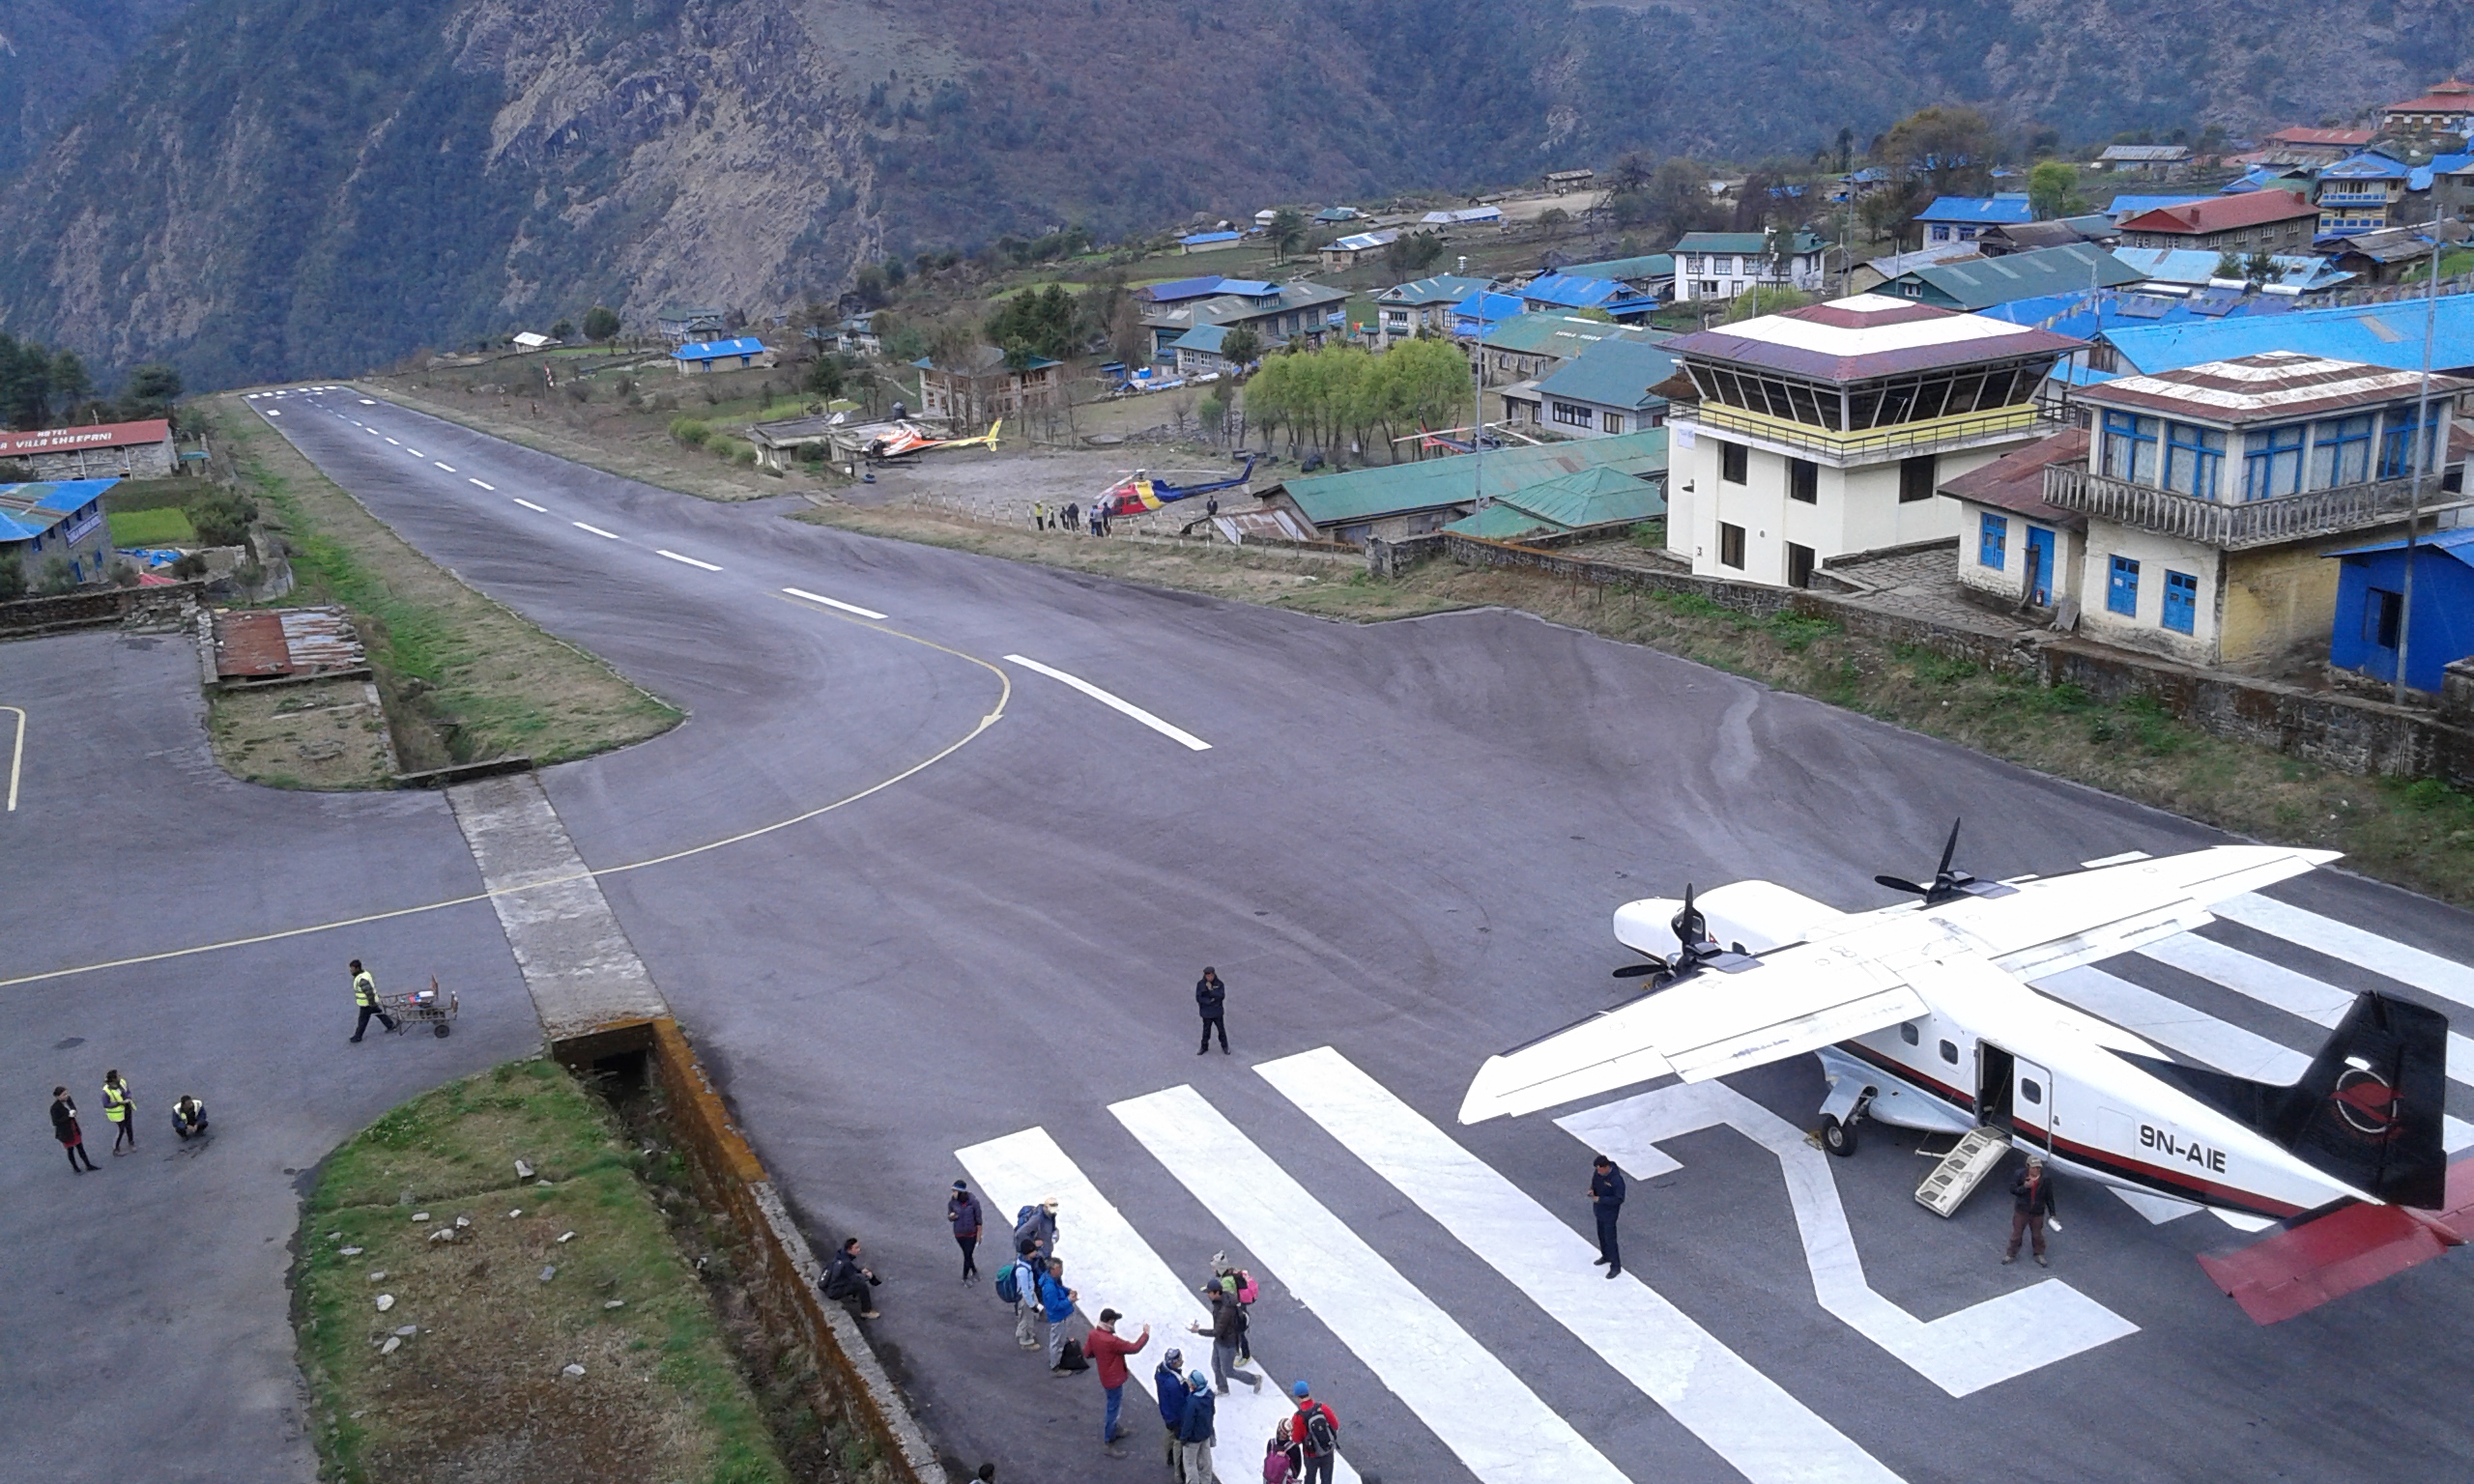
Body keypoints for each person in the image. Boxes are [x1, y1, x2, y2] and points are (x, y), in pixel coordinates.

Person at [1084, 1306, 1149, 1456]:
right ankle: (1109, 1439)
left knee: (1112, 1403)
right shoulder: (1112, 1341)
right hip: (1114, 1378)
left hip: (1105, 1376)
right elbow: (1134, 1347)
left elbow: (1087, 1353)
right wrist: (1145, 1334)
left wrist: (1102, 1355)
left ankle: (1114, 1430)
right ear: (1110, 1321)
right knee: (1113, 1408)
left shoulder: (1093, 1334)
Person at [1189, 1276, 1258, 1394]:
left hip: (1227, 1344)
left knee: (1228, 1371)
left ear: (1216, 1292)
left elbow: (1217, 1331)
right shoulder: (1221, 1300)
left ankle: (1254, 1380)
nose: (1208, 1295)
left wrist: (1198, 1331)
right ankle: (1222, 1388)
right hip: (1220, 1341)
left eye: (1209, 1292)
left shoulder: (1226, 1310)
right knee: (1215, 1365)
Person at [2004, 1153, 2059, 1268]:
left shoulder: (2045, 1179)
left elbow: (2049, 1197)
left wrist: (2052, 1214)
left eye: (2039, 1167)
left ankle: (2039, 1253)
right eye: (2034, 1167)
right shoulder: (2020, 1175)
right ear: (2028, 1166)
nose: (2037, 1170)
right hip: (2022, 1210)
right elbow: (2013, 1190)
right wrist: (2025, 1187)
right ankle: (2011, 1254)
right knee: (2016, 1234)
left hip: (2037, 1212)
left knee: (2037, 1235)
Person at [1285, 1382, 1340, 1484]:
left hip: (1311, 1455)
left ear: (1298, 1397)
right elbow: (1336, 1425)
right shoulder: (1323, 1408)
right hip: (1327, 1450)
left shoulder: (1298, 1417)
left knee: (1310, 1477)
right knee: (1327, 1479)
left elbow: (1296, 1439)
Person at [823, 1237, 882, 1319]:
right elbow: (855, 1278)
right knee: (862, 1285)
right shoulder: (846, 1263)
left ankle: (854, 1295)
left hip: (830, 1286)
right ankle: (866, 1311)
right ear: (849, 1249)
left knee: (856, 1276)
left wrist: (859, 1271)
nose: (859, 1250)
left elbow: (849, 1272)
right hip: (834, 1292)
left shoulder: (840, 1256)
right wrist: (868, 1276)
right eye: (856, 1248)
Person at [1037, 1257, 1079, 1370]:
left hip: (1060, 1317)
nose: (1061, 1270)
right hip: (1058, 1318)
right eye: (1059, 1268)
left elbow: (1059, 1289)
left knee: (1059, 1340)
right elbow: (1054, 1306)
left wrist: (1067, 1291)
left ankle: (1057, 1361)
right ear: (1052, 1269)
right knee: (1057, 1342)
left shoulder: (1050, 1281)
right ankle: (1055, 1366)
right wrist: (1069, 1300)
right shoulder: (1049, 1287)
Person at [1154, 1348, 1190, 1479]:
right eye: (1179, 1360)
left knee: (1169, 1434)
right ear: (1173, 1362)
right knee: (1178, 1442)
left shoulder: (1160, 1371)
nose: (1181, 1361)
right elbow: (1180, 1403)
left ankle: (1169, 1456)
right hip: (1176, 1417)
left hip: (1166, 1411)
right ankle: (1179, 1473)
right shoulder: (1174, 1383)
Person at [1589, 1155, 1625, 1278]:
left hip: (1610, 1213)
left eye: (1600, 1169)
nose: (1598, 1172)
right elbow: (1594, 1182)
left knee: (1610, 1239)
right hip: (1599, 1210)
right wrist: (1591, 1190)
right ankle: (1606, 1256)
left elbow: (1619, 1198)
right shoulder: (1598, 1173)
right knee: (1601, 1235)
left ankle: (1615, 1266)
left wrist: (1601, 1199)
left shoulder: (1616, 1180)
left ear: (1606, 1167)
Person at [1178, 1368, 1218, 1484]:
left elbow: (1188, 1423)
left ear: (1194, 1385)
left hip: (1193, 1439)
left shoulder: (1192, 1402)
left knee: (1190, 1465)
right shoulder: (1209, 1395)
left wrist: (1183, 1438)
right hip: (1205, 1434)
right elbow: (1212, 1412)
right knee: (1206, 1462)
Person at [51, 1087, 99, 1173]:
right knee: (70, 1150)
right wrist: (68, 1116)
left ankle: (88, 1165)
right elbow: (55, 1122)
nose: (66, 1096)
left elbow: (73, 1108)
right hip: (65, 1132)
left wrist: (74, 1112)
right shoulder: (54, 1108)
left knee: (80, 1147)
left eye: (66, 1093)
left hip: (73, 1128)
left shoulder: (68, 1100)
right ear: (58, 1096)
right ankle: (75, 1167)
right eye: (64, 1094)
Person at [349, 959, 397, 1042]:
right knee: (379, 1013)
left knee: (362, 1021)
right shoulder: (365, 974)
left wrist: (371, 1003)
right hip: (370, 1002)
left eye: (352, 968)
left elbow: (368, 992)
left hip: (367, 1003)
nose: (351, 970)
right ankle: (390, 1025)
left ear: (357, 968)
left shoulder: (361, 979)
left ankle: (358, 1036)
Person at [1013, 1237, 1045, 1350]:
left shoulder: (1023, 1262)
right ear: (1028, 1253)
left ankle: (1029, 1335)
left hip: (1030, 1296)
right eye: (1034, 1250)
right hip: (1025, 1298)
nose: (1036, 1252)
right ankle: (1024, 1340)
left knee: (1029, 1317)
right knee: (1025, 1318)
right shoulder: (1022, 1271)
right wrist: (1032, 1304)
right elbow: (1025, 1290)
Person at [948, 1180, 983, 1284]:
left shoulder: (974, 1202)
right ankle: (974, 1271)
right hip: (959, 1234)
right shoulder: (952, 1203)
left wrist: (978, 1236)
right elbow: (949, 1216)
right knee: (967, 1254)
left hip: (971, 1234)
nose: (953, 1193)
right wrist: (951, 1217)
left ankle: (965, 1277)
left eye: (955, 1191)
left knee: (967, 1255)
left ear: (961, 1192)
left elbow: (979, 1220)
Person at [1195, 967, 1228, 1056]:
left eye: (1210, 975)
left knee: (1221, 1030)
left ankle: (1225, 1046)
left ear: (1213, 975)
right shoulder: (1200, 984)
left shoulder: (1219, 984)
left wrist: (1210, 990)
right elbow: (1199, 998)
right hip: (1206, 1013)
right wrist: (1210, 1001)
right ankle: (1204, 1047)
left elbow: (1221, 996)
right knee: (1206, 1031)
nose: (1209, 977)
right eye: (1207, 976)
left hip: (1217, 1012)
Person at [102, 1070, 135, 1155]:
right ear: (113, 1079)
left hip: (127, 1108)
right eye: (118, 1076)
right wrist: (119, 1103)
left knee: (129, 1126)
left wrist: (128, 1097)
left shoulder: (122, 1082)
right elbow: (106, 1104)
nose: (120, 1076)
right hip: (118, 1114)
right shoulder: (106, 1091)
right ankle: (115, 1148)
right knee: (121, 1130)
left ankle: (131, 1142)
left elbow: (127, 1091)